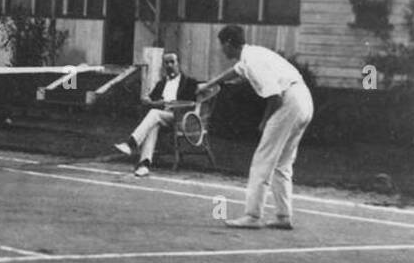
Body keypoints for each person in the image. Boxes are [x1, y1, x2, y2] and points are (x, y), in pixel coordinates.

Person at [197, 25, 314, 229]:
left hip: (289, 102)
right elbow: (235, 71)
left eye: (221, 45)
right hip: (304, 101)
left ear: (228, 44)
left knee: (263, 159)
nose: (221, 50)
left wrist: (265, 121)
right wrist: (208, 84)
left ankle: (252, 215)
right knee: (282, 163)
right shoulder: (253, 54)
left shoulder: (252, 60)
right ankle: (283, 216)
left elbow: (275, 96)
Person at [114, 51, 199, 177]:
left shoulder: (189, 82)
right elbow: (151, 100)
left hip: (180, 118)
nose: (169, 65)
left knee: (154, 114)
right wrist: (148, 100)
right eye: (166, 63)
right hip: (162, 116)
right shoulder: (161, 83)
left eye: (172, 62)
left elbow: (191, 103)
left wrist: (168, 103)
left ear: (178, 64)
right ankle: (144, 164)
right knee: (154, 124)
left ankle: (131, 144)